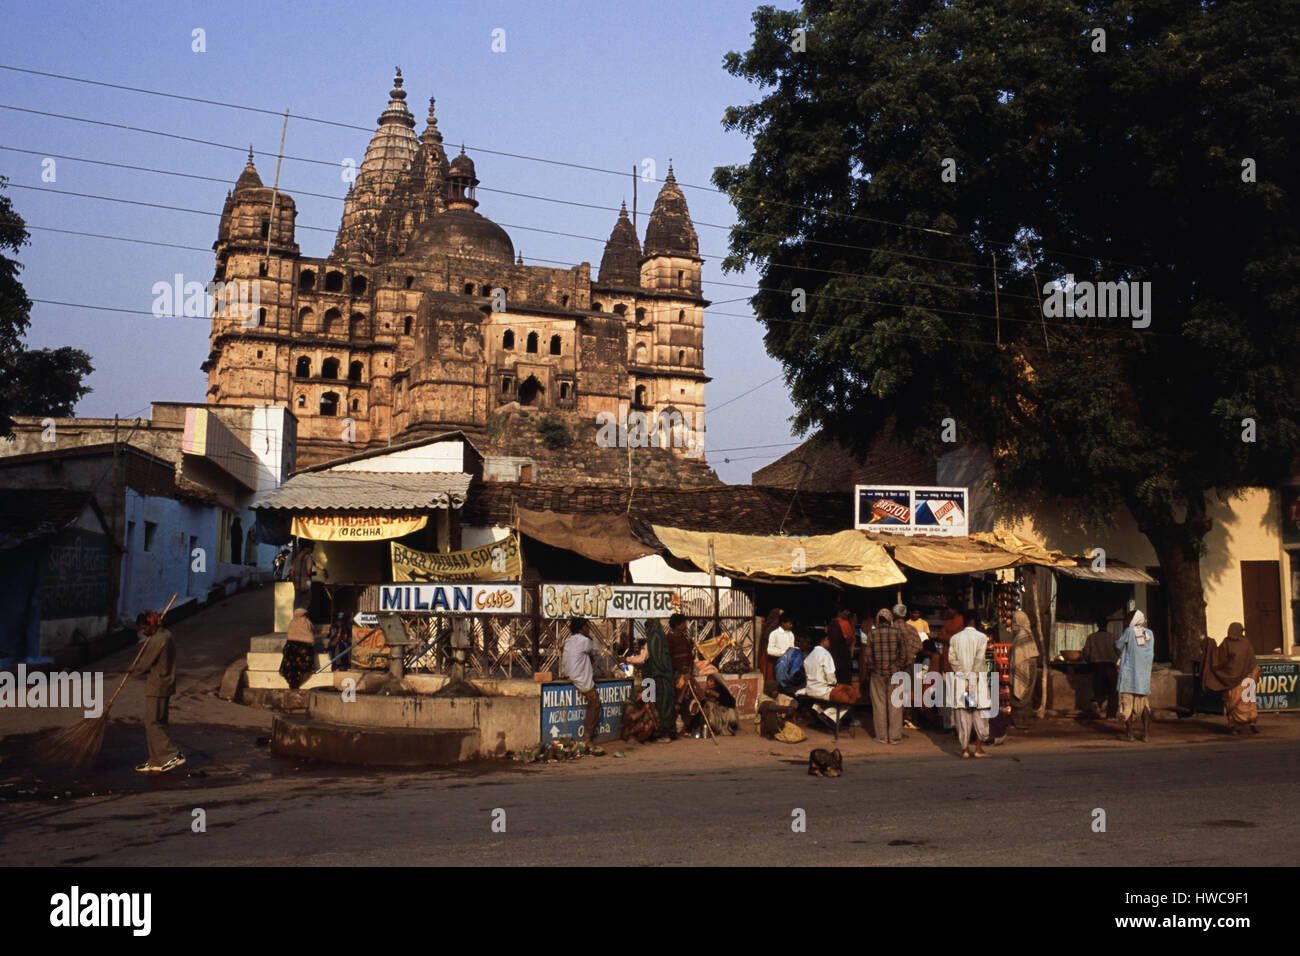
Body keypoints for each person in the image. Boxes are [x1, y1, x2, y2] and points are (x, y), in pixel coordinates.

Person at [131, 610, 184, 773]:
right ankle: (156, 760)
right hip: (164, 684)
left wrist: (133, 670)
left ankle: (172, 755)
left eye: (143, 628)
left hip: (158, 685)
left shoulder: (158, 640)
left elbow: (144, 665)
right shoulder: (165, 635)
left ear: (151, 625)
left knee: (153, 722)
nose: (143, 631)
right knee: (157, 721)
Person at [1201, 622, 1260, 735]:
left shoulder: (1227, 643)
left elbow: (1217, 659)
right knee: (1248, 701)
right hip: (1248, 678)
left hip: (1233, 680)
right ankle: (1251, 723)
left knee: (1233, 701)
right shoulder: (1246, 642)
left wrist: (1210, 647)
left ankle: (1235, 726)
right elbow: (1252, 661)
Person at [863, 607, 909, 744]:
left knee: (879, 704)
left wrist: (873, 668)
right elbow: (904, 654)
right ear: (890, 619)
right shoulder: (897, 633)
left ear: (878, 620)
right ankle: (894, 736)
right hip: (895, 673)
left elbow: (867, 656)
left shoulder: (872, 634)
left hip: (877, 674)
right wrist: (899, 665)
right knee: (895, 705)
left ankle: (882, 736)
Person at [949, 610, 991, 758]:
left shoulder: (955, 638)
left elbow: (952, 659)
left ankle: (965, 750)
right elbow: (979, 659)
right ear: (976, 621)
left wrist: (963, 674)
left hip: (961, 682)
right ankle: (978, 749)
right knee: (980, 716)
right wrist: (972, 677)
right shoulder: (981, 637)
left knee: (962, 718)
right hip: (977, 682)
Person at [561, 617, 603, 745]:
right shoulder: (585, 641)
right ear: (581, 629)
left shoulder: (568, 640)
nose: (588, 629)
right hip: (580, 677)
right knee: (595, 702)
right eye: (586, 627)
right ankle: (588, 736)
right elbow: (597, 652)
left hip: (568, 674)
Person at [1115, 609, 1156, 742]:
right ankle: (1146, 734)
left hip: (1128, 675)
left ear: (1132, 621)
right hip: (1143, 677)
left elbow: (1118, 646)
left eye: (1127, 620)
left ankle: (1130, 734)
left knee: (1127, 706)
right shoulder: (1149, 633)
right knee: (1144, 705)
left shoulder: (1129, 631)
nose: (1126, 623)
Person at [798, 632, 851, 727]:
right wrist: (835, 684)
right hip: (822, 690)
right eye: (829, 640)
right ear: (824, 640)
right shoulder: (825, 654)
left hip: (810, 689)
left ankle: (818, 709)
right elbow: (830, 674)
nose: (830, 642)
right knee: (849, 699)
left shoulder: (810, 655)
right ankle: (828, 716)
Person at [1081, 619, 1119, 718]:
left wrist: (1089, 661)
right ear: (1107, 625)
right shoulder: (1113, 637)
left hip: (1097, 666)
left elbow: (1086, 653)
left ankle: (1098, 714)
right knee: (1113, 692)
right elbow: (1119, 652)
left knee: (1098, 691)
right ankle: (1111, 715)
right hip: (1110, 666)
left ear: (1097, 625)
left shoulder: (1091, 637)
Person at [1009, 609, 1039, 730]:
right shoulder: (1028, 634)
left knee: (1019, 694)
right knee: (1027, 694)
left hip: (1023, 667)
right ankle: (1025, 721)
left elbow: (1018, 656)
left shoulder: (1021, 635)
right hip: (1031, 667)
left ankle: (1020, 721)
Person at [279, 607, 317, 690]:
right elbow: (312, 632)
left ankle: (293, 683)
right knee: (301, 666)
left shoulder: (292, 622)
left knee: (292, 666)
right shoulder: (306, 622)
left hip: (292, 647)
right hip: (303, 648)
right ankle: (296, 683)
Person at [290, 541, 325, 612]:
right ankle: (303, 622)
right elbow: (308, 572)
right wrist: (315, 573)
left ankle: (296, 621)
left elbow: (292, 572)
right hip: (306, 585)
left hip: (297, 585)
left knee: (297, 605)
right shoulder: (308, 557)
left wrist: (294, 584)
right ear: (308, 548)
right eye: (312, 548)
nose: (313, 549)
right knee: (305, 606)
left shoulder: (297, 556)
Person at [825, 607, 856, 685]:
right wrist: (853, 625)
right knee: (845, 683)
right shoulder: (845, 623)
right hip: (843, 658)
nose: (848, 613)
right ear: (839, 612)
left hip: (833, 657)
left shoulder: (831, 623)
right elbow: (849, 640)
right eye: (847, 610)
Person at [766, 611, 796, 675]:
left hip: (789, 663)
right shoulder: (774, 634)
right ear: (783, 623)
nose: (791, 626)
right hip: (778, 662)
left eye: (791, 624)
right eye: (789, 624)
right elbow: (769, 650)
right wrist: (783, 652)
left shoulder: (791, 634)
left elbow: (792, 647)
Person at [760, 608, 784, 681]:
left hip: (768, 649)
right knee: (769, 668)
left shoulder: (770, 623)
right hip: (769, 650)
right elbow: (767, 635)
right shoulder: (775, 623)